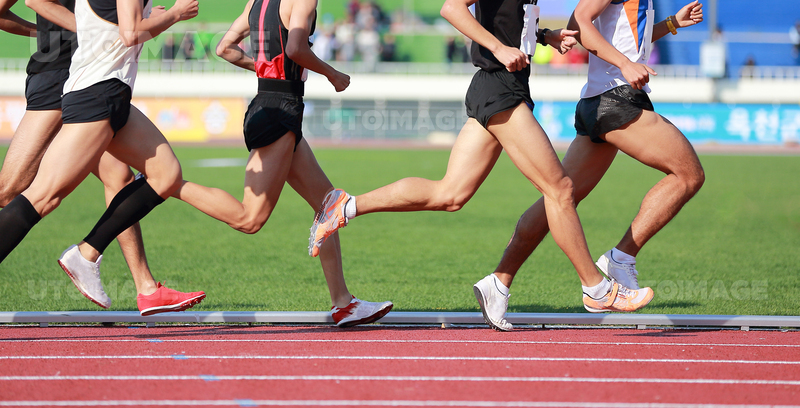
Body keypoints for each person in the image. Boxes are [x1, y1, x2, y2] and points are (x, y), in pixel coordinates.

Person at [309, 0, 655, 329]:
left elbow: (507, 17)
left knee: (450, 194)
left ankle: (346, 206)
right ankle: (596, 289)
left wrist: (543, 36)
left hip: (500, 87)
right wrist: (499, 48)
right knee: (560, 189)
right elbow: (451, 8)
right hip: (498, 88)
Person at [468, 0, 706, 330]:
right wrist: (624, 64)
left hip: (603, 101)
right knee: (689, 174)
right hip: (615, 100)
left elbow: (624, 38)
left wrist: (671, 24)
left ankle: (498, 282)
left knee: (557, 200)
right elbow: (580, 20)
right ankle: (620, 258)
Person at [169, 0, 393, 327]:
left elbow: (224, 49)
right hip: (281, 110)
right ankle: (165, 183)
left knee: (329, 206)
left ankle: (344, 304)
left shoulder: (256, 3)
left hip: (268, 103)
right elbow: (296, 48)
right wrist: (332, 74)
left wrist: (264, 68)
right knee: (249, 218)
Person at [0, 0, 205, 316]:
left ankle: (146, 287)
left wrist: (140, 18)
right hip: (60, 72)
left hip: (91, 70)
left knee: (120, 178)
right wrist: (85, 29)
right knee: (13, 191)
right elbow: (34, 2)